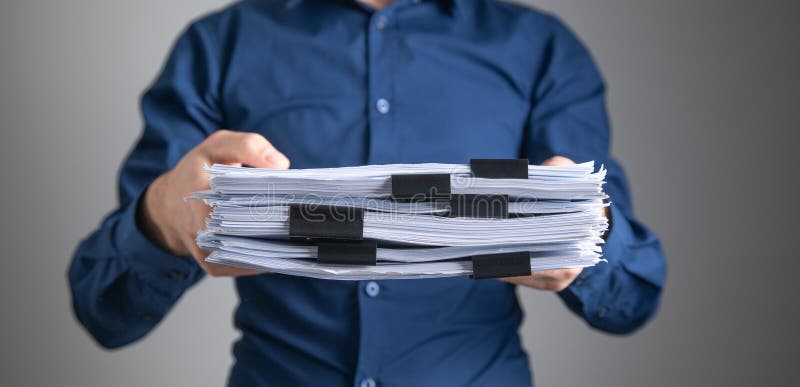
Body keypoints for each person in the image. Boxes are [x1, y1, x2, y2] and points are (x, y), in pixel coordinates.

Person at [68, 0, 666, 385]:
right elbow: (104, 309)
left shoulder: (539, 49)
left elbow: (634, 295)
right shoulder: (218, 46)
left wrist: (588, 240)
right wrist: (162, 217)